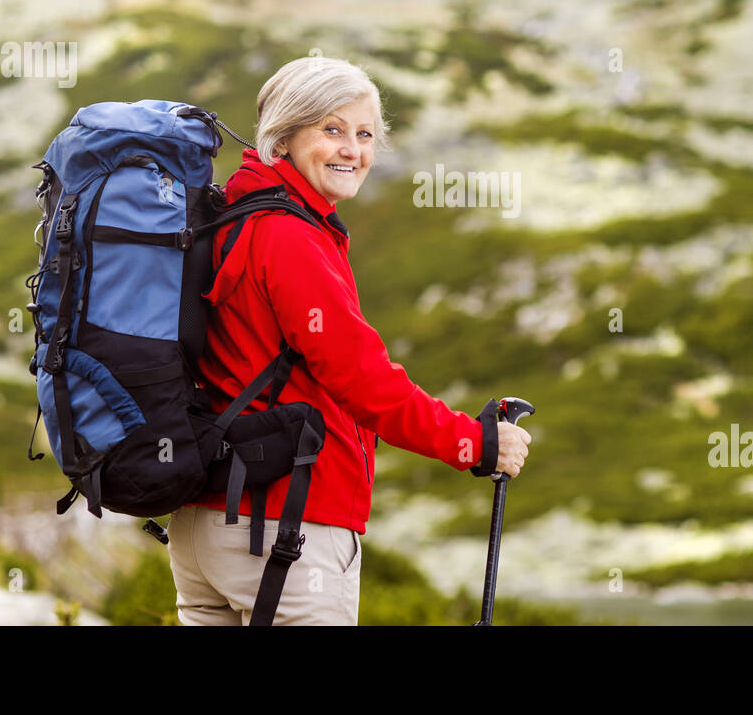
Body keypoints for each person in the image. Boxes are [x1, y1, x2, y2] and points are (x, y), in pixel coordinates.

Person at [166, 56, 532, 625]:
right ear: (283, 136)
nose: (351, 150)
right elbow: (362, 380)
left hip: (206, 525)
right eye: (331, 130)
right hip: (287, 532)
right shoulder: (289, 236)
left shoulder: (235, 215)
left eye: (364, 135)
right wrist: (475, 443)